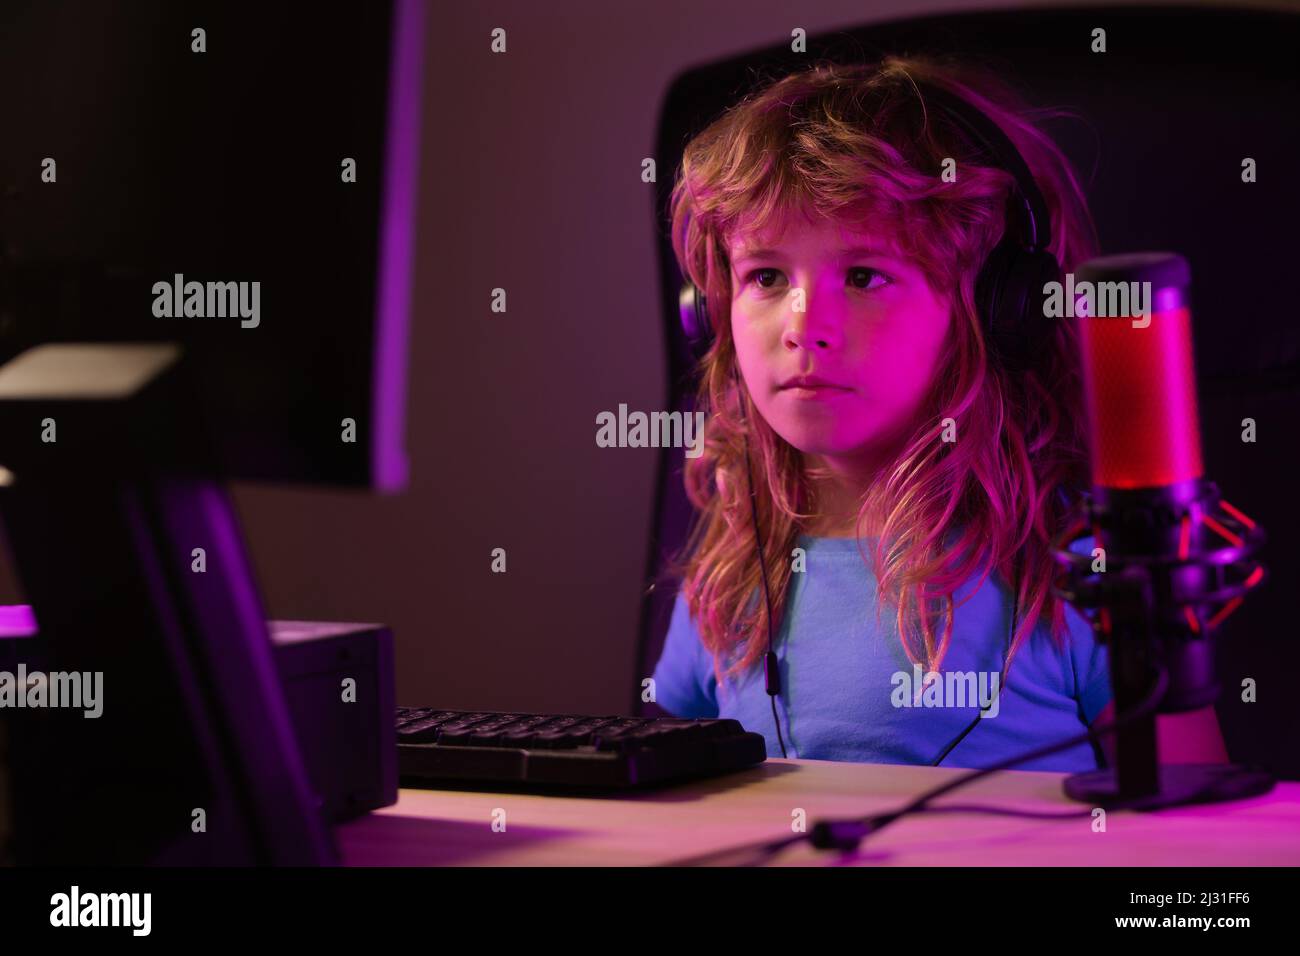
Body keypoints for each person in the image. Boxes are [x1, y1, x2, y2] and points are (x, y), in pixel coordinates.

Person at [652, 56, 1227, 771]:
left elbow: (1201, 833)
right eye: (766, 276)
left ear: (994, 307)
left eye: (864, 276)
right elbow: (665, 800)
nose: (803, 324)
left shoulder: (1085, 571)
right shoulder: (732, 570)